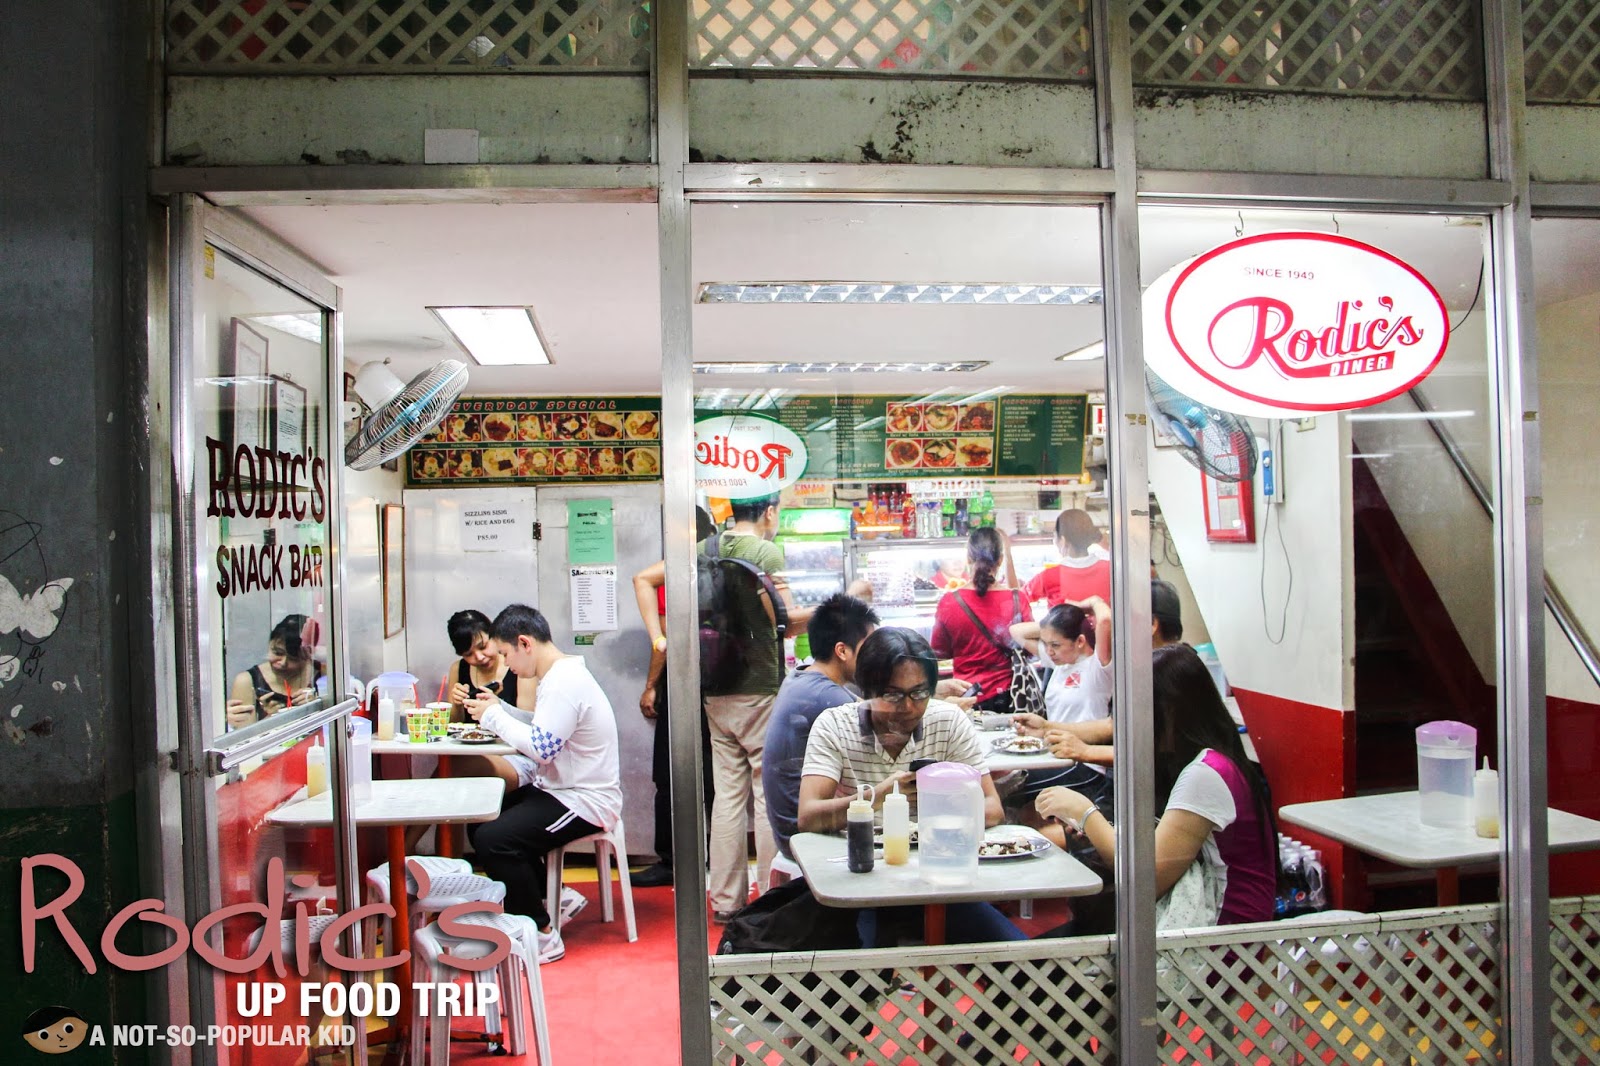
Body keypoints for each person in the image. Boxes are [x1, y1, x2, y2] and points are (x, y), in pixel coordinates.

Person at [797, 627, 1022, 946]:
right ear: (866, 690)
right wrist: (877, 797)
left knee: (1015, 956)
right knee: (859, 974)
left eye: (920, 693)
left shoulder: (948, 722)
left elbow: (992, 809)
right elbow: (808, 816)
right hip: (862, 882)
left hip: (939, 880)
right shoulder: (834, 725)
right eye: (892, 695)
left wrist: (943, 804)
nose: (908, 708)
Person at [1035, 643, 1277, 926]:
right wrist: (1096, 831)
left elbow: (1145, 882)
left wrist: (1087, 815)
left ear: (1170, 713)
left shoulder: (1206, 775)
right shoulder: (1209, 762)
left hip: (1220, 947)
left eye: (1138, 715)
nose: (1130, 728)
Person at [463, 604, 623, 963]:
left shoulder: (565, 681)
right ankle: (558, 898)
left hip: (585, 800)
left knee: (495, 839)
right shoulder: (560, 675)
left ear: (524, 643)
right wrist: (501, 711)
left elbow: (542, 748)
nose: (509, 666)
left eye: (507, 655)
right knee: (481, 819)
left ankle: (541, 934)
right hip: (561, 789)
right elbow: (543, 727)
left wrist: (492, 716)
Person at [629, 506, 718, 889]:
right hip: (721, 683)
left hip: (681, 683)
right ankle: (716, 854)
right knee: (715, 776)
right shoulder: (720, 567)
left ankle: (673, 860)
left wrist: (651, 685)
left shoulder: (677, 570)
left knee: (669, 773)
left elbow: (663, 639)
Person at [764, 592, 879, 861]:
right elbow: (885, 735)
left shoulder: (803, 676)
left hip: (791, 828)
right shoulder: (828, 698)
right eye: (869, 648)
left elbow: (864, 703)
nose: (875, 657)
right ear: (842, 651)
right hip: (809, 833)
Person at [929, 526, 1030, 713]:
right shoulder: (1018, 599)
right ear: (1000, 560)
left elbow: (940, 651)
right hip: (1010, 697)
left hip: (966, 698)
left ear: (968, 558)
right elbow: (1029, 651)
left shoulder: (949, 602)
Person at [226, 614, 324, 729]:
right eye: (277, 653)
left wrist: (319, 702)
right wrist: (269, 720)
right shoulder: (247, 682)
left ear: (308, 654)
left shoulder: (322, 675)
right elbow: (243, 737)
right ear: (269, 644)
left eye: (293, 658)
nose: (283, 663)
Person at [442, 609, 529, 721]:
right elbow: (454, 725)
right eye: (469, 654)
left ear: (493, 634)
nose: (479, 657)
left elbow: (527, 721)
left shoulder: (520, 666)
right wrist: (457, 705)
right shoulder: (458, 669)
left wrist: (496, 706)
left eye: (483, 646)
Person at [1021, 509, 1111, 609]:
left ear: (1063, 540)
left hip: (1064, 625)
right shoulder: (1110, 570)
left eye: (1054, 536)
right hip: (1106, 624)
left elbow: (1019, 599)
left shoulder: (1048, 576)